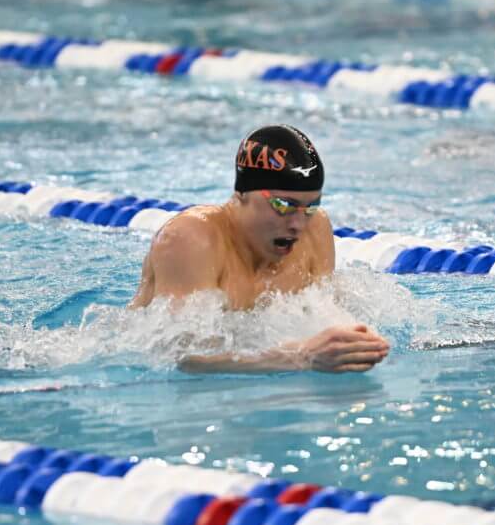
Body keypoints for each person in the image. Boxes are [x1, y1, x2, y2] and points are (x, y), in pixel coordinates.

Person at [131, 124, 390, 374]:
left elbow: (324, 315)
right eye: (284, 205)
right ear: (242, 193)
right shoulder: (192, 238)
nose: (299, 224)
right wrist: (299, 357)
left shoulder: (316, 228)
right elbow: (181, 355)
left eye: (310, 206)